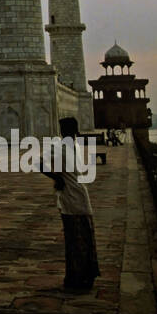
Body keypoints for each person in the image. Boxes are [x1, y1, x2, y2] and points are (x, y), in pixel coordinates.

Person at [43, 117, 100, 292]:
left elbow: (40, 163)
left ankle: (78, 278)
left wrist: (57, 177)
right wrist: (57, 177)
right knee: (81, 239)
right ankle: (81, 278)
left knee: (77, 240)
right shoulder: (67, 146)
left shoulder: (66, 147)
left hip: (75, 197)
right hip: (76, 197)